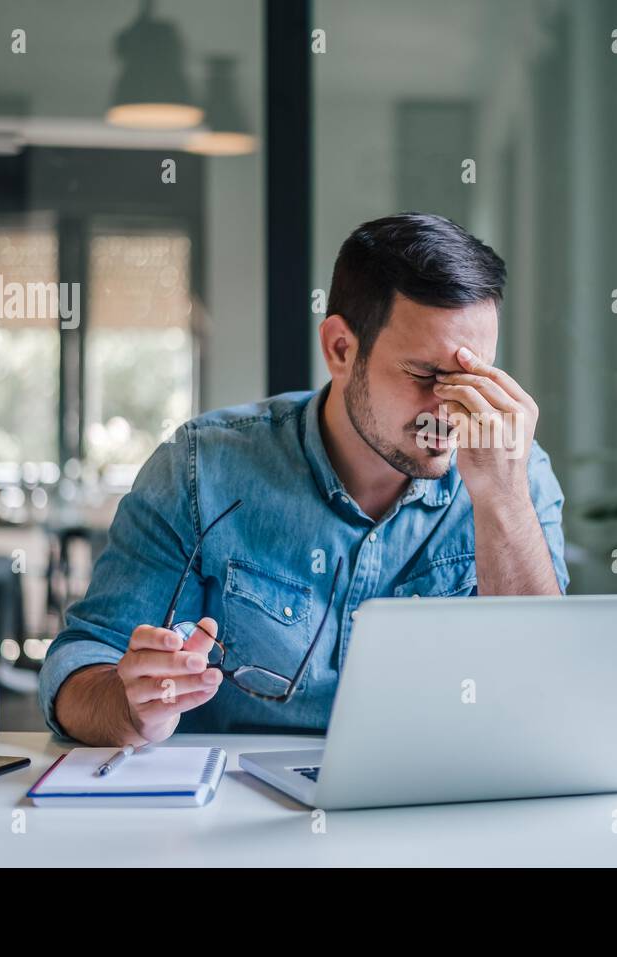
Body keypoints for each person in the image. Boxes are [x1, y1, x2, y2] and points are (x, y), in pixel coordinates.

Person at [39, 212, 568, 746]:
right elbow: (80, 666)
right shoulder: (201, 470)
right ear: (341, 349)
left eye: (476, 378)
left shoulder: (515, 472)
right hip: (238, 814)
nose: (451, 408)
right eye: (427, 376)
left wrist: (502, 499)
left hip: (438, 809)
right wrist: (130, 706)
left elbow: (548, 691)